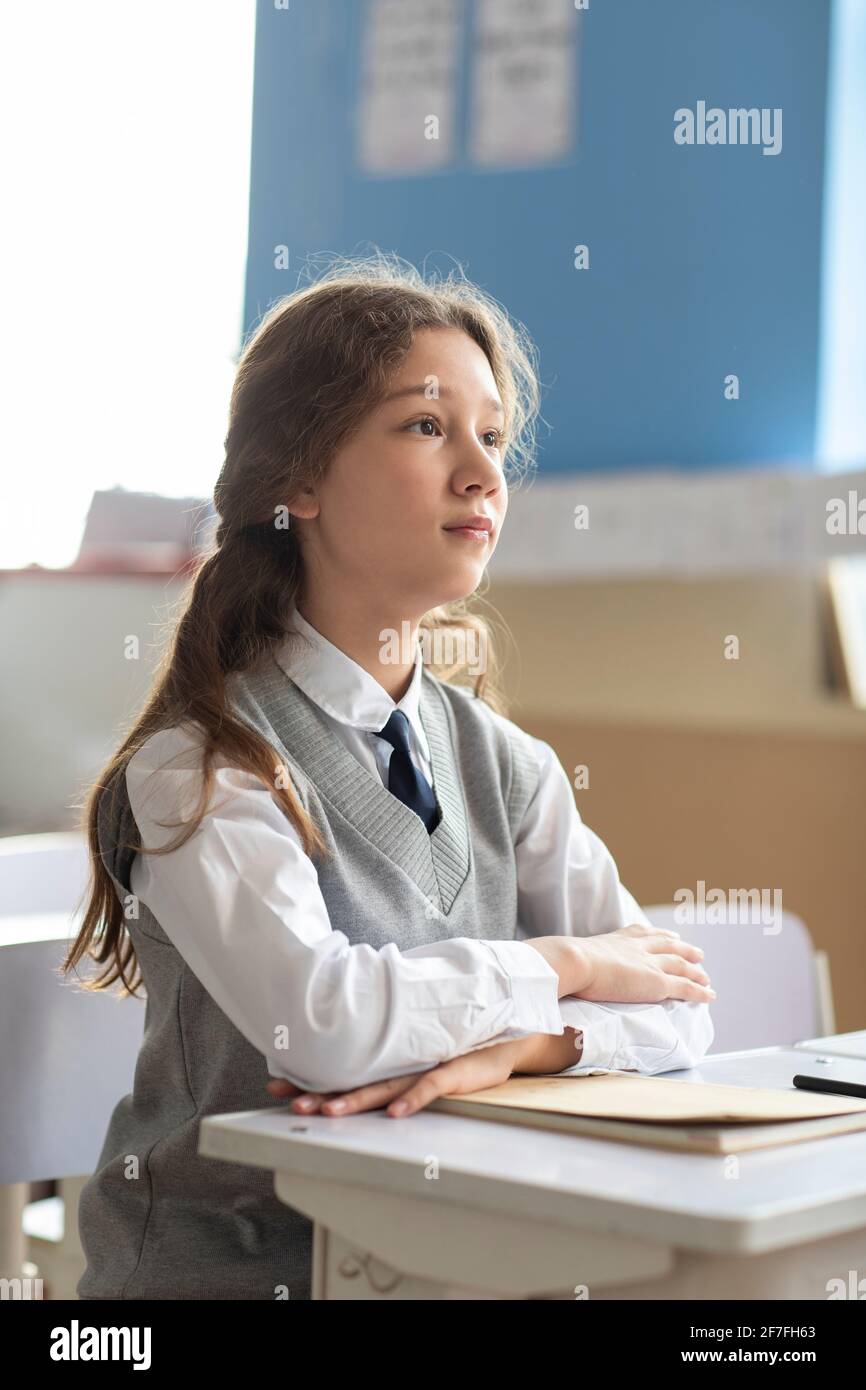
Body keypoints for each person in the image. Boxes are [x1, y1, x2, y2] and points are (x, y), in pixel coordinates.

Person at [64, 253, 714, 1301]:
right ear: (299, 480)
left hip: (447, 1261)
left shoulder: (509, 763)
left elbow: (681, 1004)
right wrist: (568, 963)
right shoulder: (204, 765)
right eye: (425, 426)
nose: (482, 472)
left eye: (493, 436)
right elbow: (321, 1026)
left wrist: (527, 1046)